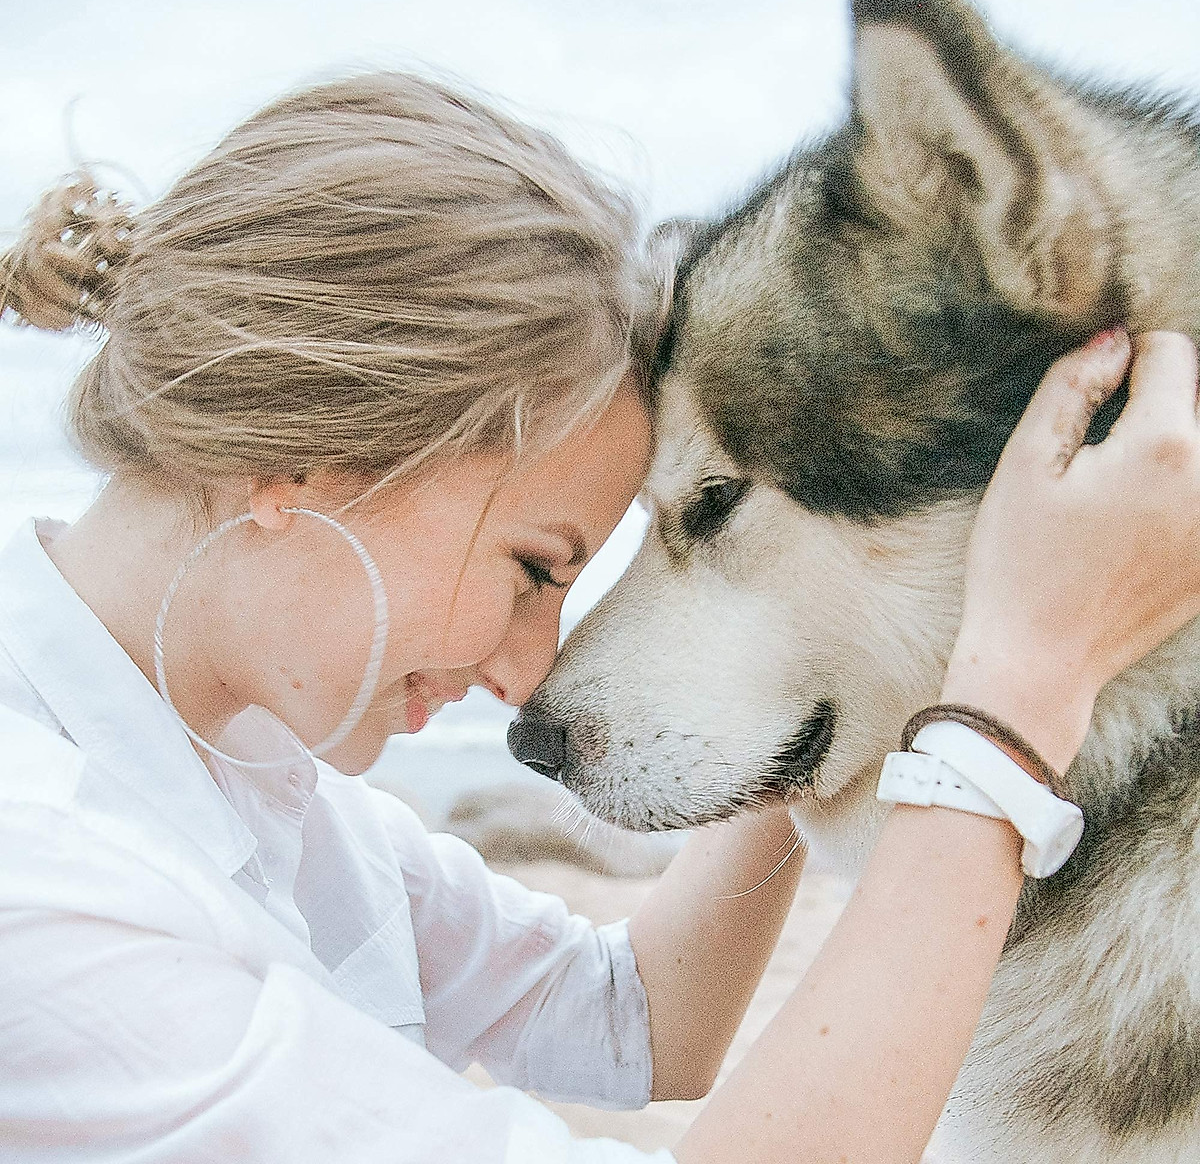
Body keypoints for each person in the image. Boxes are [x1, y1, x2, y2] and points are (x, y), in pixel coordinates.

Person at [0, 71, 1198, 1164]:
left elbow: (639, 1020)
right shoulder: (39, 880)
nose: (534, 670)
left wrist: (791, 699)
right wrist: (1017, 693)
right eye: (535, 567)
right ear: (301, 458)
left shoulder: (240, 770)